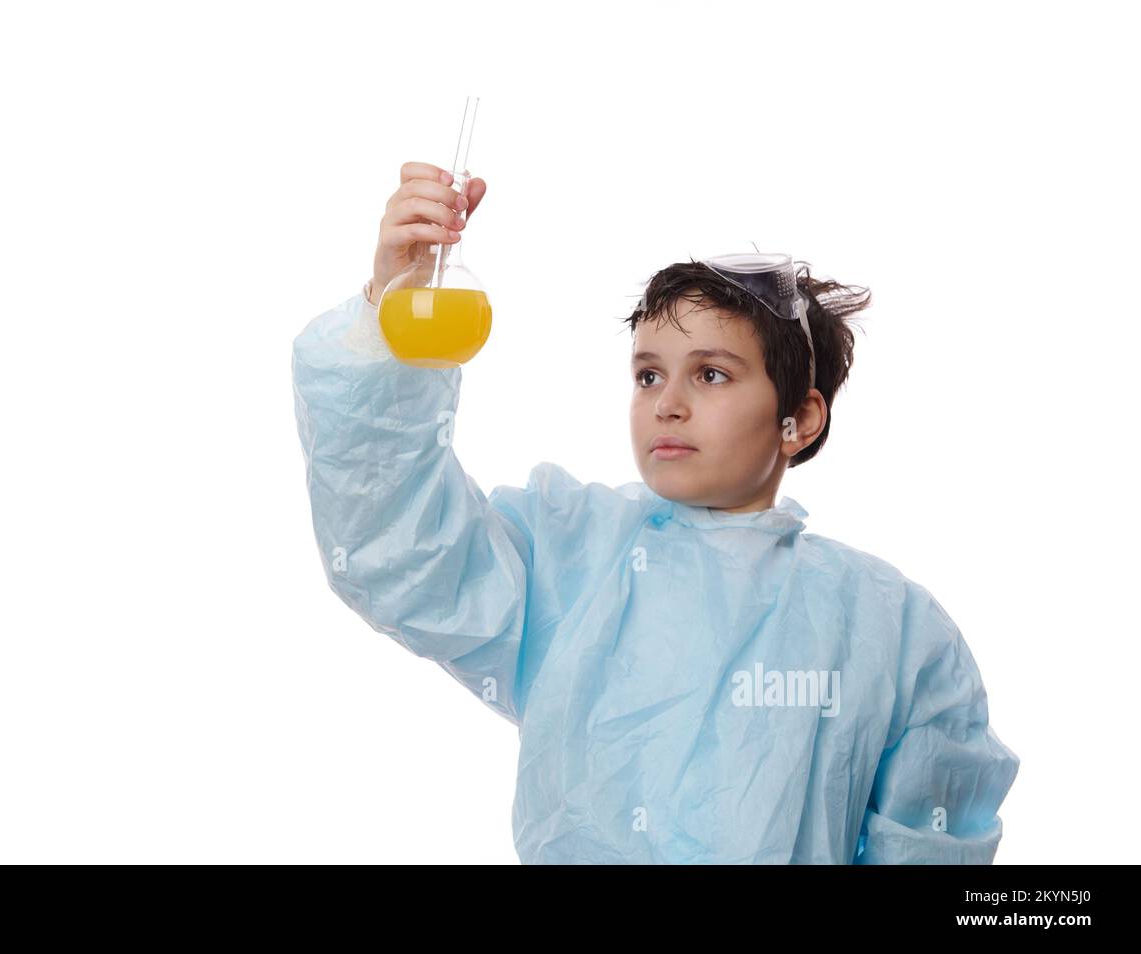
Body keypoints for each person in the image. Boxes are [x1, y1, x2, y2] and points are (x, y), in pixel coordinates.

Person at [290, 161, 1020, 864]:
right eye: (648, 374)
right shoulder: (572, 557)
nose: (667, 402)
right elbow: (397, 550)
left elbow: (935, 841)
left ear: (799, 416)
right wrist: (395, 301)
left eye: (710, 373)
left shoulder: (893, 630)